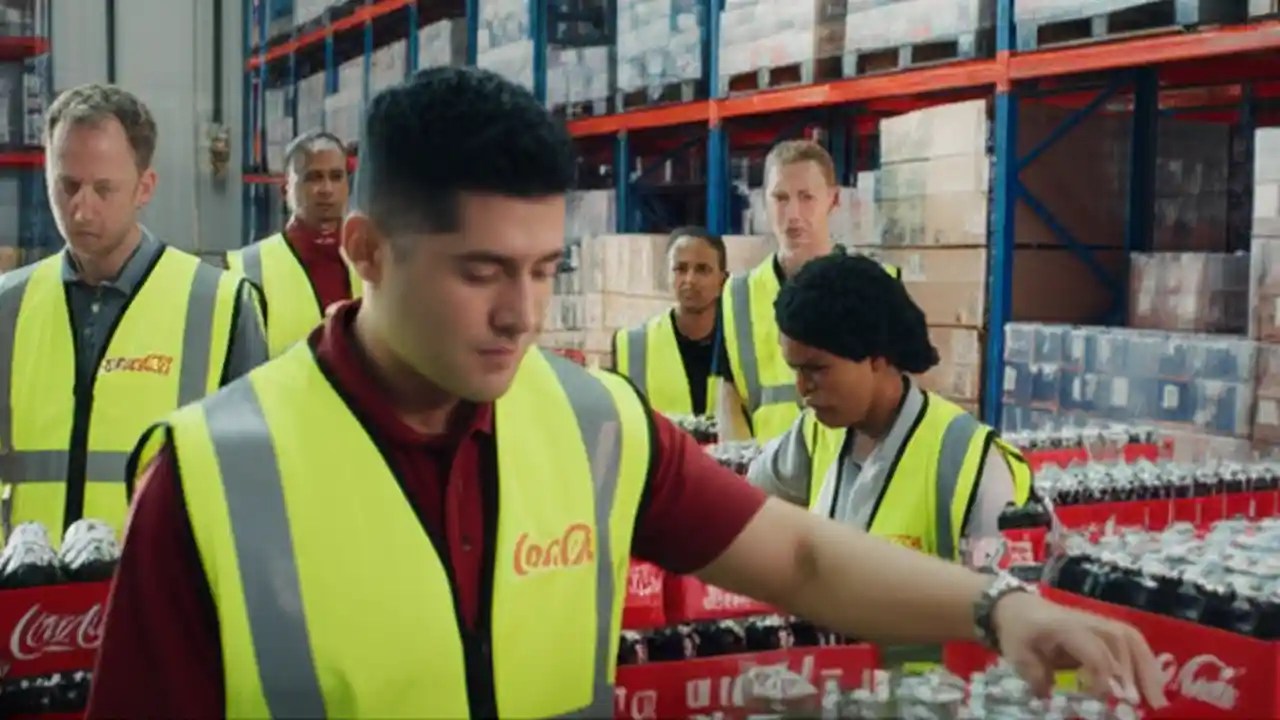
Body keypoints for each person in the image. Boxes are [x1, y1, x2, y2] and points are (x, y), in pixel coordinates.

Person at [88, 67, 1165, 718]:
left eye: (544, 269)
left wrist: (997, 607)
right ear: (366, 250)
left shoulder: (589, 422)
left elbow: (788, 552)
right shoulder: (216, 475)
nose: (521, 314)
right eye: (479, 272)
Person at [0, 83, 266, 540]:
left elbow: (252, 482)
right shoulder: (9, 305)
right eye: (67, 185)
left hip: (154, 596)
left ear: (145, 187)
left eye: (104, 189)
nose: (81, 210)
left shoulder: (221, 305)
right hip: (27, 597)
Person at [747, 251, 1032, 559]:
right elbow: (748, 507)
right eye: (796, 369)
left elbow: (1001, 596)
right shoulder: (814, 434)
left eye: (817, 369)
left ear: (876, 358)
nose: (802, 387)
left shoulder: (971, 463)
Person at [717, 140, 899, 445]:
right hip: (767, 480)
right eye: (781, 198)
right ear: (764, 201)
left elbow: (893, 398)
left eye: (806, 198)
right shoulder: (737, 295)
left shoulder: (877, 287)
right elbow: (729, 395)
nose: (793, 214)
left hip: (851, 478)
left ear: (833, 199)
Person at [226, 129, 360, 357]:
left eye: (336, 177)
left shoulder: (372, 260)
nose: (326, 189)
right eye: (313, 177)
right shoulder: (247, 268)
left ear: (347, 187)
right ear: (285, 189)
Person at [612, 227, 728, 417]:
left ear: (722, 280)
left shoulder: (739, 343)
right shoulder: (634, 345)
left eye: (702, 270)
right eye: (680, 269)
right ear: (667, 275)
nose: (689, 280)